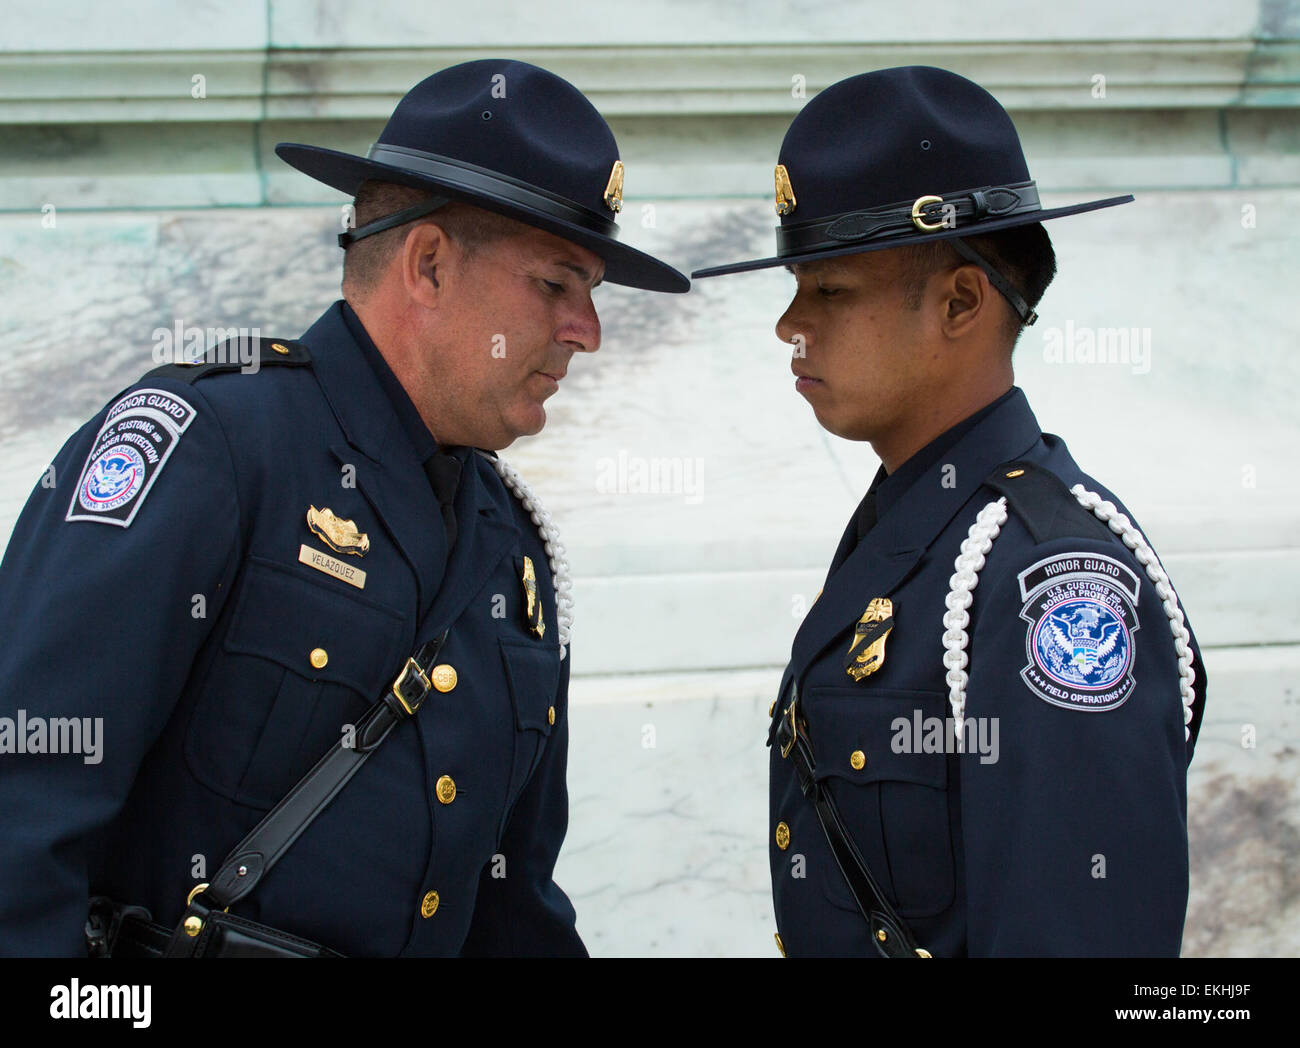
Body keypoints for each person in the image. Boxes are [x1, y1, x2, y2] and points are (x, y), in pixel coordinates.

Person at [0, 59, 687, 957]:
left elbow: (512, 912)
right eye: (558, 285)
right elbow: (22, 823)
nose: (587, 331)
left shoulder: (512, 551)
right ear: (430, 265)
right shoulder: (210, 447)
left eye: (591, 294)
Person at [692, 65, 1206, 958]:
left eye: (830, 291)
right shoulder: (926, 528)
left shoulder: (1053, 582)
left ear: (961, 302)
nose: (790, 323)